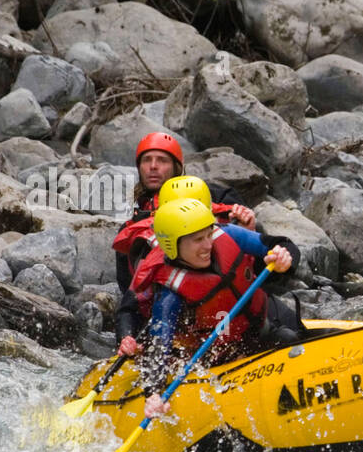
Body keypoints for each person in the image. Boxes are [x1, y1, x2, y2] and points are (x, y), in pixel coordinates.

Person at [131, 197, 303, 419]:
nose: (207, 245)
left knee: (289, 339)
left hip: (259, 330)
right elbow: (158, 348)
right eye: (197, 240)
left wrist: (284, 257)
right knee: (286, 340)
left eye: (208, 234)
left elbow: (281, 243)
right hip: (220, 361)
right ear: (173, 245)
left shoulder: (227, 235)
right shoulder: (170, 293)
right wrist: (153, 394)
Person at [115, 174, 257, 357]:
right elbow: (129, 307)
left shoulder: (229, 234)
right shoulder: (152, 256)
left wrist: (251, 232)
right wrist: (127, 338)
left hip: (239, 328)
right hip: (181, 338)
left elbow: (269, 277)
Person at [113, 136, 255, 299]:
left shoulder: (213, 195)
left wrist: (248, 226)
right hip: (172, 297)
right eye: (146, 160)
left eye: (162, 160)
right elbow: (128, 288)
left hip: (231, 286)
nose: (153, 166)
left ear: (176, 167)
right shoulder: (132, 227)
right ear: (139, 167)